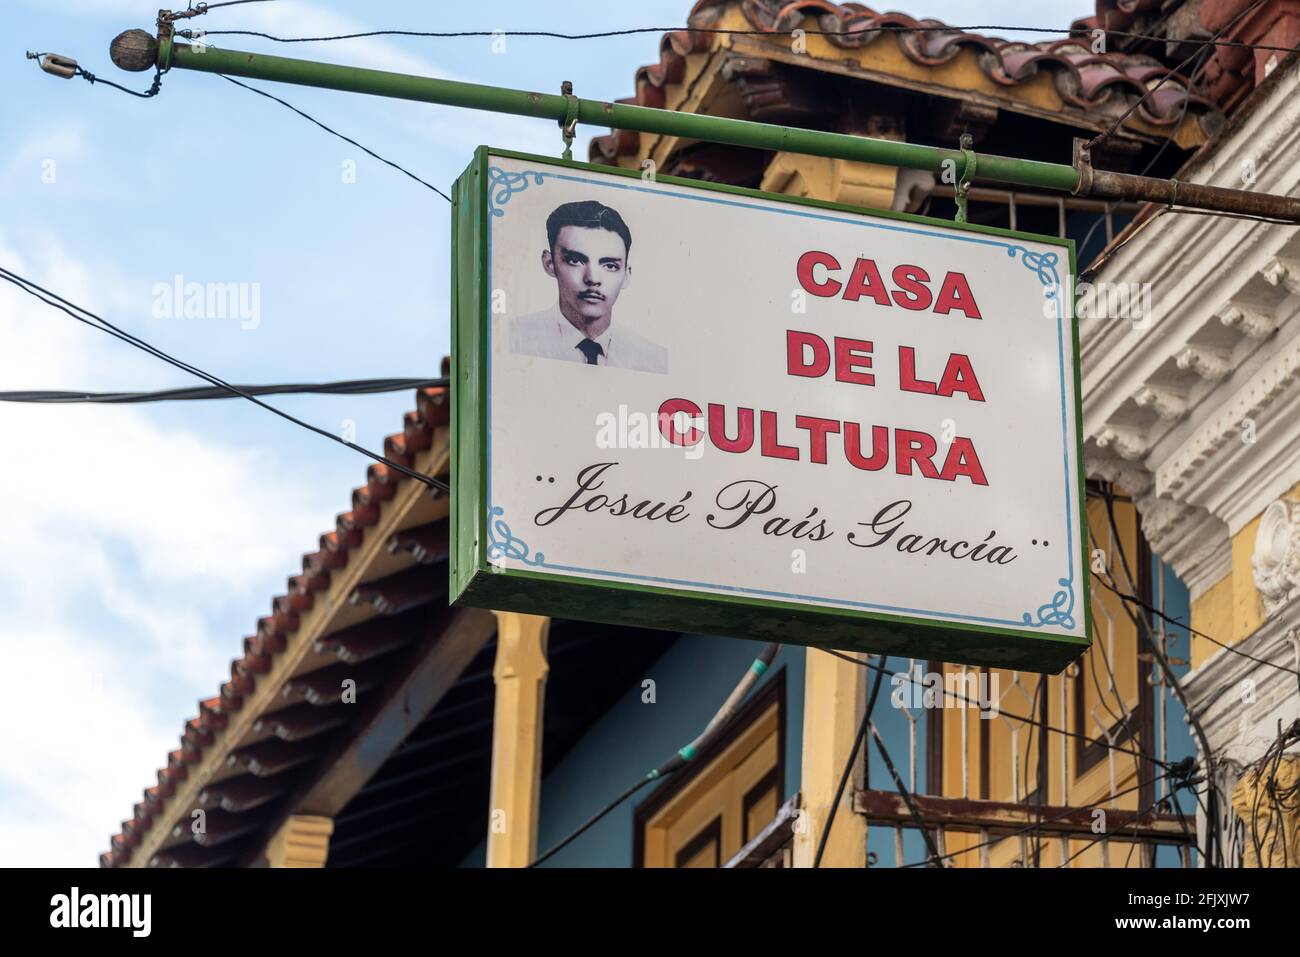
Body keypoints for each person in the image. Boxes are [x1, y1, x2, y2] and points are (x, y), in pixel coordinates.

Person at [509, 199, 668, 373]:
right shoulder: (513, 339)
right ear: (549, 263)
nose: (592, 278)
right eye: (575, 260)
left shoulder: (652, 360)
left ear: (626, 274)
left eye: (609, 266)